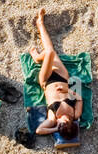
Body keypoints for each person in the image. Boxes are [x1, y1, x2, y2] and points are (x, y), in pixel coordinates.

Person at [29, 8, 83, 139]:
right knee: (50, 50)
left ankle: (38, 56)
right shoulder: (76, 113)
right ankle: (40, 24)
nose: (63, 120)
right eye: (66, 122)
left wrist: (54, 128)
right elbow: (78, 92)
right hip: (63, 77)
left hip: (46, 81)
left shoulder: (53, 118)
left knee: (50, 53)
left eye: (61, 124)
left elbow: (39, 130)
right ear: (72, 123)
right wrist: (67, 91)